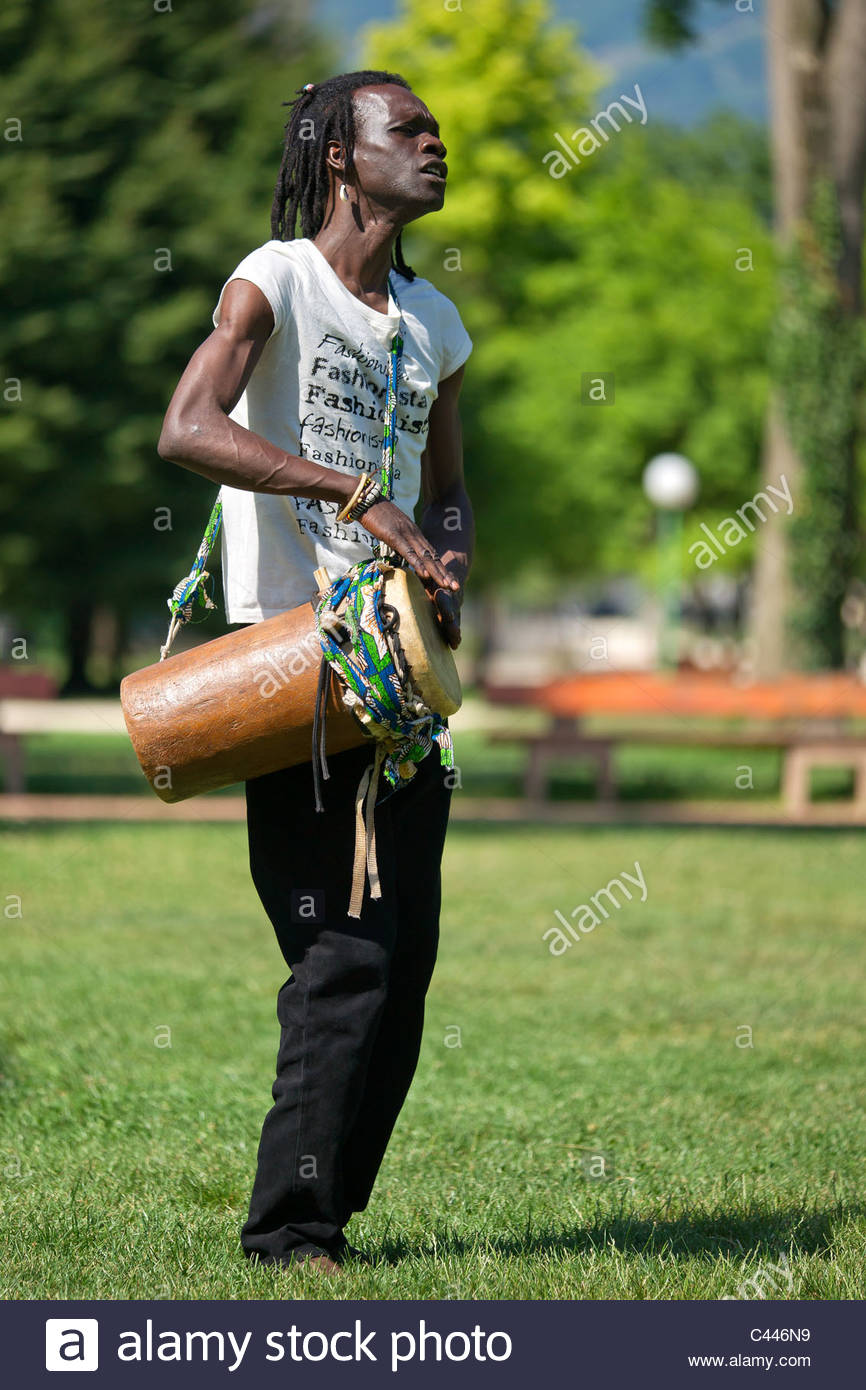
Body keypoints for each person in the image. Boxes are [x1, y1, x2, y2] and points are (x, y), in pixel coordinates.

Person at [156, 70, 474, 1274]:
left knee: (401, 975)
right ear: (340, 155)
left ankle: (320, 1218)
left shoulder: (435, 322)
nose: (434, 145)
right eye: (410, 130)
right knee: (341, 954)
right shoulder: (275, 277)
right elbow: (188, 426)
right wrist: (354, 496)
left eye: (437, 130)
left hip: (401, 682)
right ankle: (289, 1236)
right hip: (291, 672)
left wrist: (443, 567)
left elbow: (447, 496)